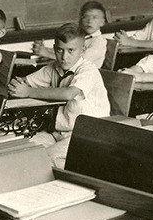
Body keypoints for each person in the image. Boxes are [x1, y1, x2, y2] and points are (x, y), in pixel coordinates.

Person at [8, 23, 109, 167]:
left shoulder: (88, 70)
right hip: (57, 131)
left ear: (82, 50)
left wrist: (27, 92)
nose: (64, 57)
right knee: (20, 150)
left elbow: (69, 94)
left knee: (48, 159)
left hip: (87, 134)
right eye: (60, 50)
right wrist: (17, 84)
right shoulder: (54, 67)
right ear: (54, 48)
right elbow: (27, 81)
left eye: (71, 50)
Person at [34, 1, 108, 68]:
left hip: (86, 75)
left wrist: (47, 54)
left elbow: (78, 60)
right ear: (80, 20)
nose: (90, 21)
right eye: (85, 17)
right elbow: (67, 51)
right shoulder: (80, 37)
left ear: (102, 22)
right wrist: (43, 49)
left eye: (95, 17)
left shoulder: (99, 42)